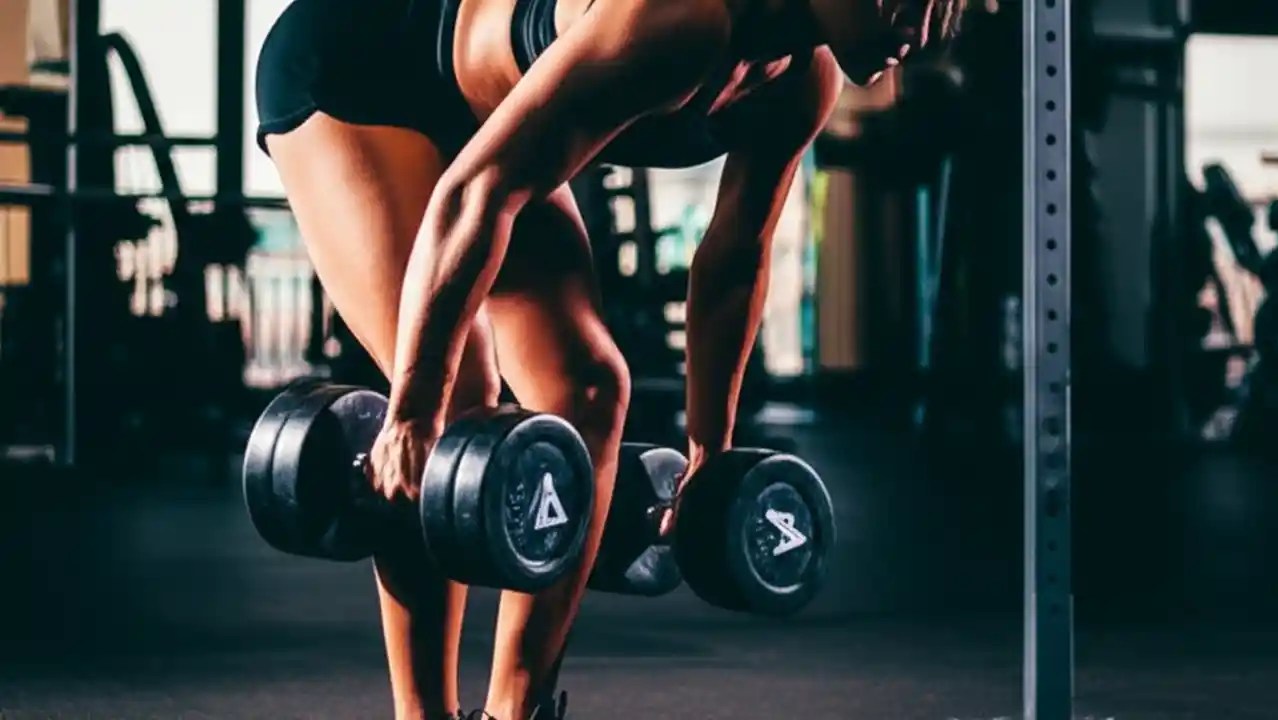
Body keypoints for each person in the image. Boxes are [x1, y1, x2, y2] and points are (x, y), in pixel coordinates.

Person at [254, 0, 964, 717]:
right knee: (458, 390)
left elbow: (733, 260)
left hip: (482, 126)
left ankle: (518, 711)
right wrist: (411, 411)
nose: (922, 25)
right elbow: (478, 192)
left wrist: (708, 457)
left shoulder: (803, 81)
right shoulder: (682, 20)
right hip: (360, 72)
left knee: (589, 388)